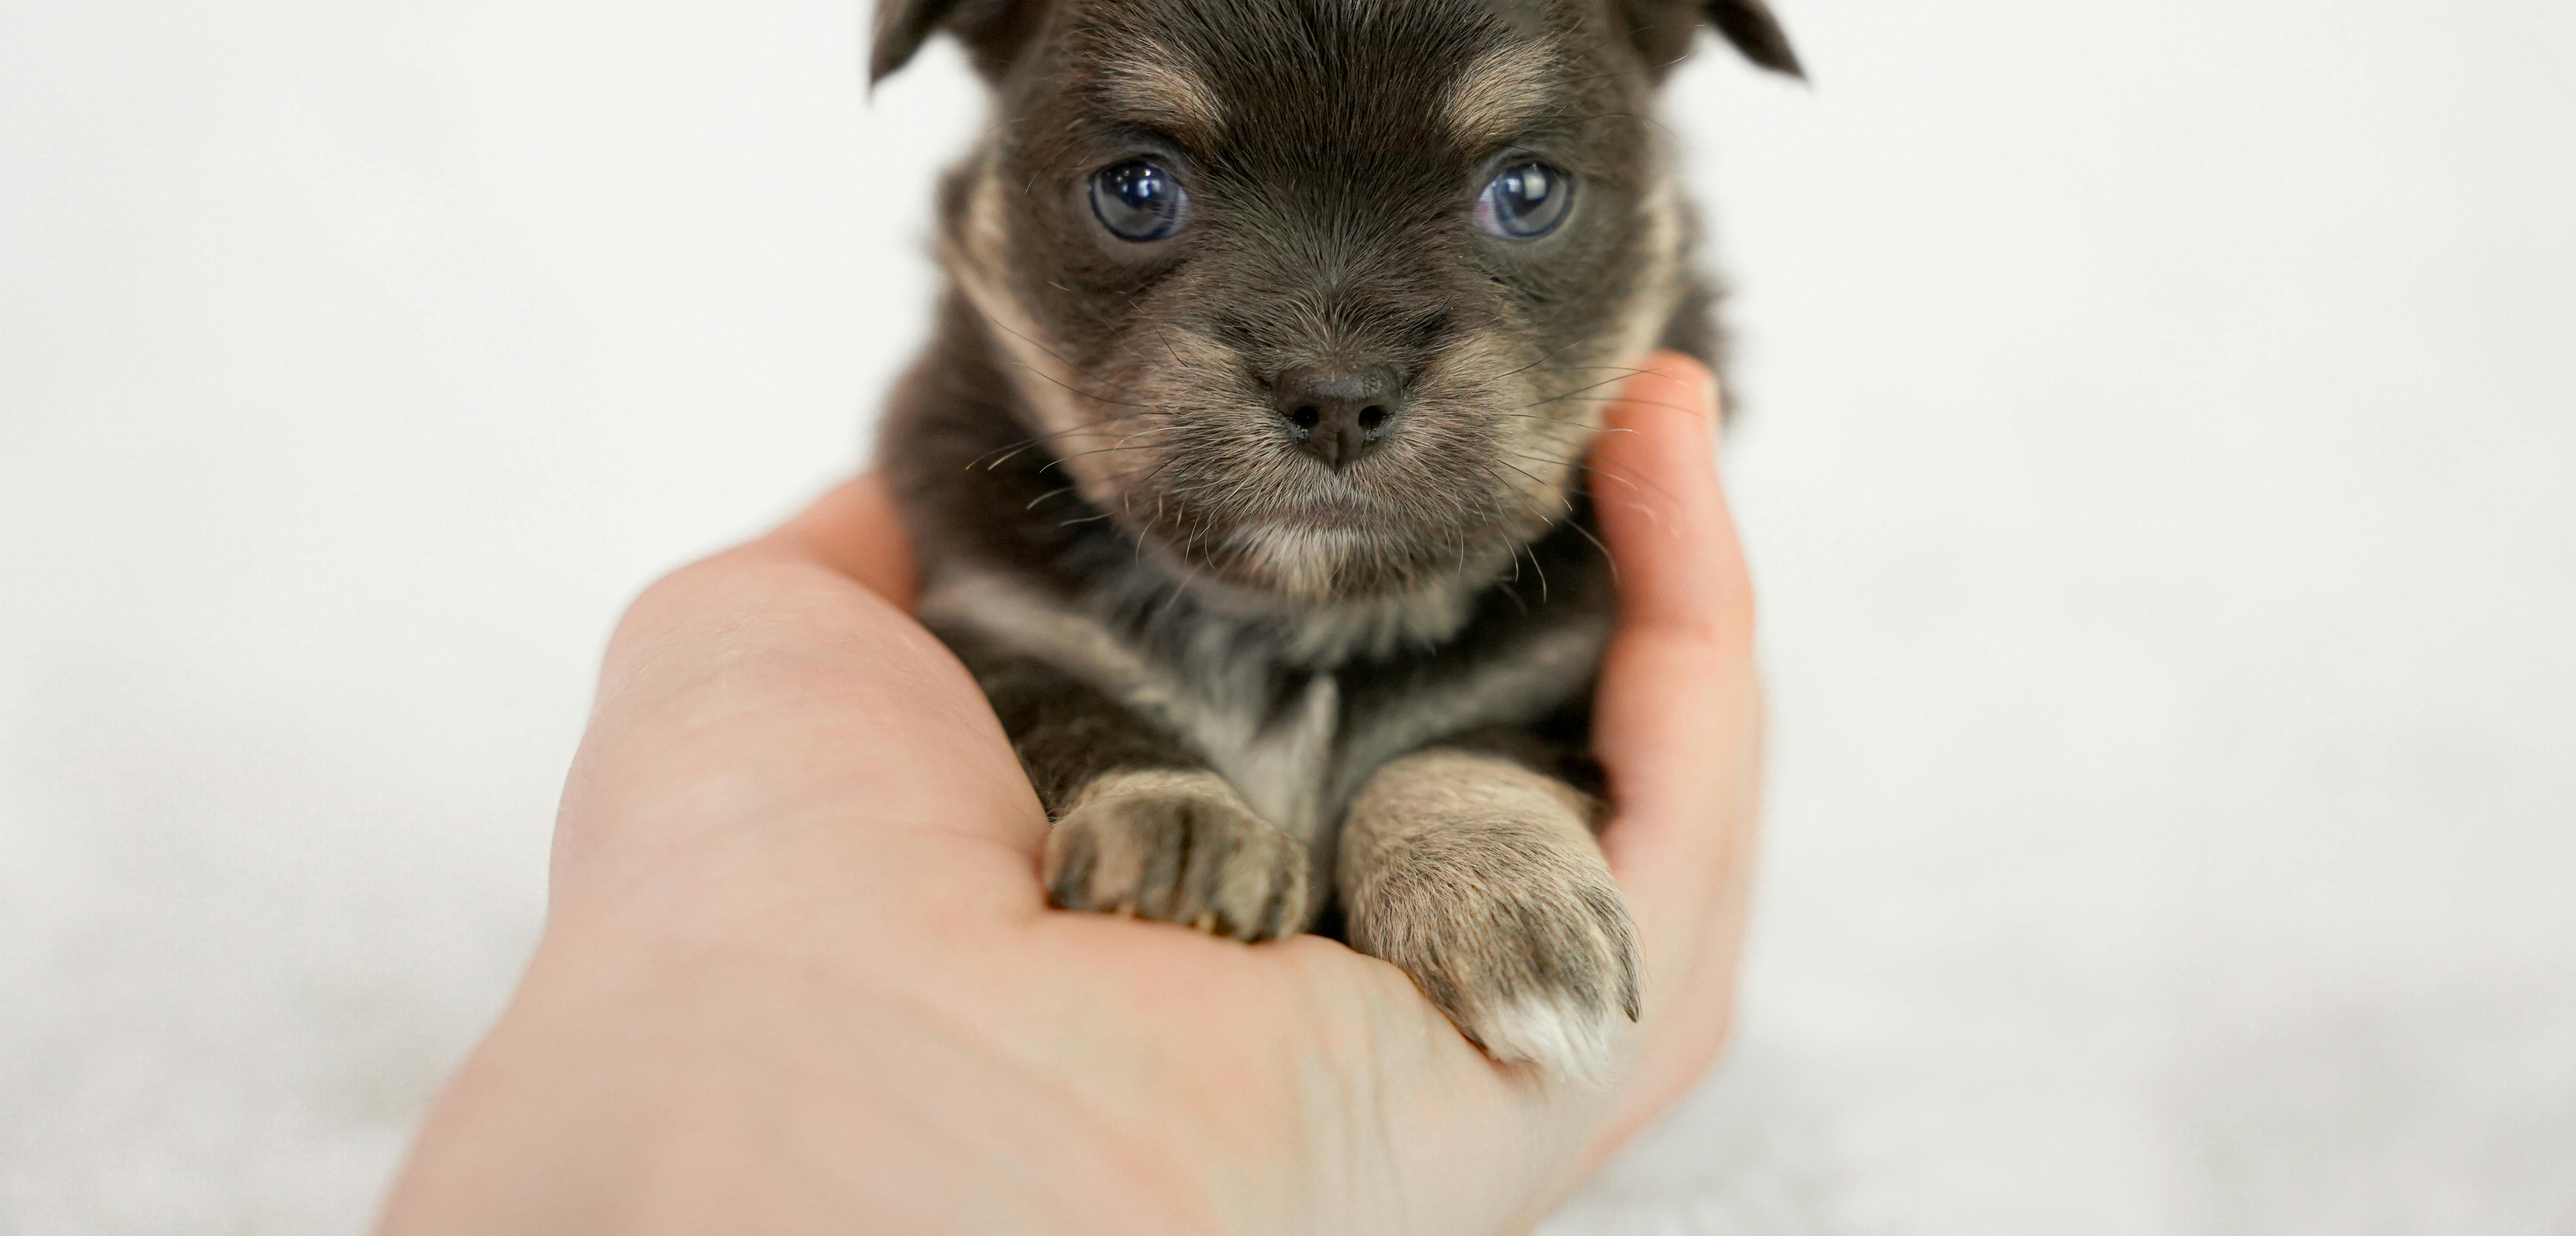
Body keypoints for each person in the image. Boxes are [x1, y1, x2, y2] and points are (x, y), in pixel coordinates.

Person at [375, 353, 1761, 1235]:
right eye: (1142, 191)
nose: (1335, 372)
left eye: (1516, 191)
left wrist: (1470, 806)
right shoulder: (985, 493)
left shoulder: (1577, 554)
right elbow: (989, 693)